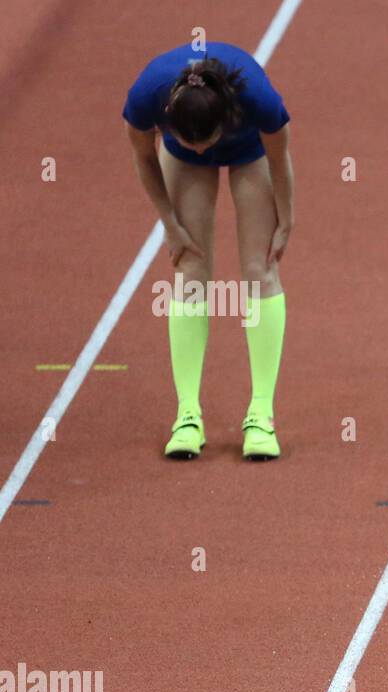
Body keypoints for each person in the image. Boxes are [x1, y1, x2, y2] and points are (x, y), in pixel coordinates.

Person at [124, 42, 293, 460]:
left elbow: (280, 158)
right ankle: (187, 415)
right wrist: (170, 224)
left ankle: (260, 415)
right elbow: (144, 157)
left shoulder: (259, 100)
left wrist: (286, 220)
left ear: (227, 119)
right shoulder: (147, 95)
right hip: (178, 160)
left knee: (260, 269)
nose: (203, 150)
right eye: (189, 141)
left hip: (249, 151)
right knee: (191, 270)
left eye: (207, 142)